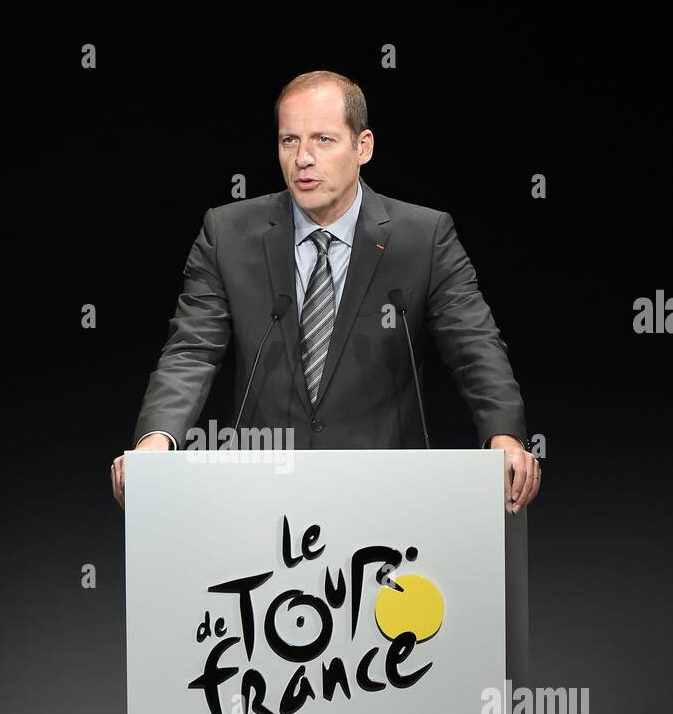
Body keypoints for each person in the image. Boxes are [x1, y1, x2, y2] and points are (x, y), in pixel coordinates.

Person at [111, 69, 540, 513]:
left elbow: (474, 345)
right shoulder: (228, 234)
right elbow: (192, 351)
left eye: (323, 140)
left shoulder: (423, 238)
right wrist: (156, 441)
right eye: (289, 140)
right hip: (263, 493)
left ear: (363, 146)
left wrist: (503, 436)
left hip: (386, 493)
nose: (303, 159)